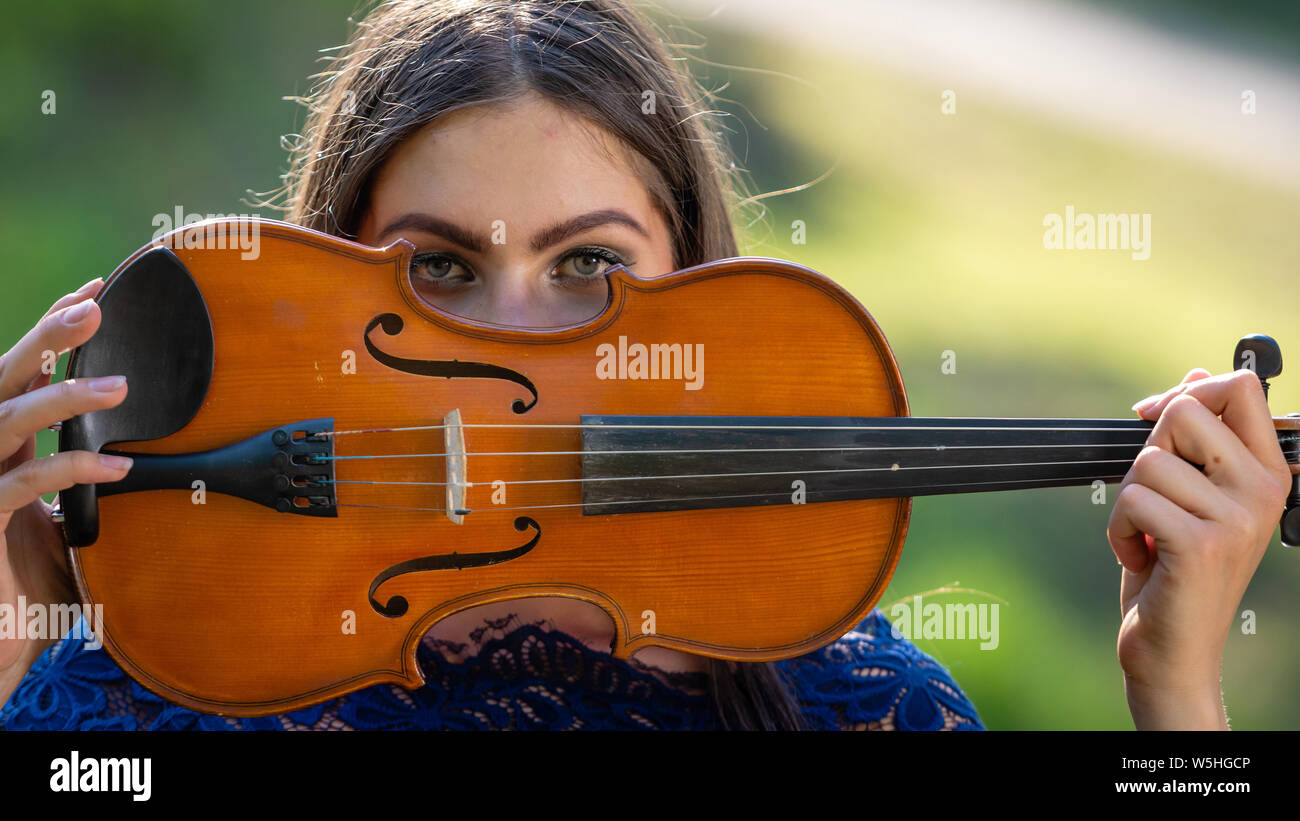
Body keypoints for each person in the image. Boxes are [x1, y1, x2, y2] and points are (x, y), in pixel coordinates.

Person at [0, 0, 1289, 731]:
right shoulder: (151, 680)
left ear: (696, 291)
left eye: (588, 268)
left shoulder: (864, 710)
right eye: (436, 268)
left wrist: (1175, 692)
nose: (516, 342)